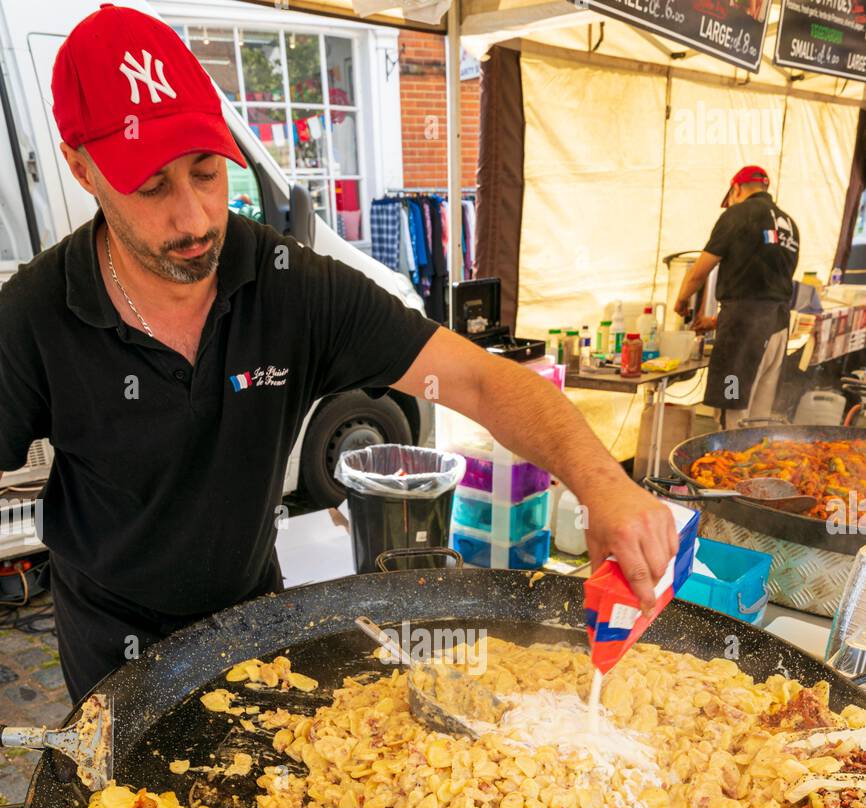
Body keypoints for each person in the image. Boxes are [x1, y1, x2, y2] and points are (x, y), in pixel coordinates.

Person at [0, 4, 676, 701]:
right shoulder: (33, 316)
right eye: (152, 187)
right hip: (116, 655)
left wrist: (604, 484)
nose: (196, 218)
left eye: (206, 172)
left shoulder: (294, 286)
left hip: (253, 628)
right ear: (81, 169)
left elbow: (477, 380)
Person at [675, 166, 799, 428]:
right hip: (776, 331)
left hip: (743, 340)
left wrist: (682, 300)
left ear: (736, 189)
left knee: (731, 408)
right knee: (758, 415)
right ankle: (755, 468)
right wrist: (716, 321)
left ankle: (729, 465)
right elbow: (762, 290)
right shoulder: (789, 225)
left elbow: (699, 272)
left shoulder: (737, 215)